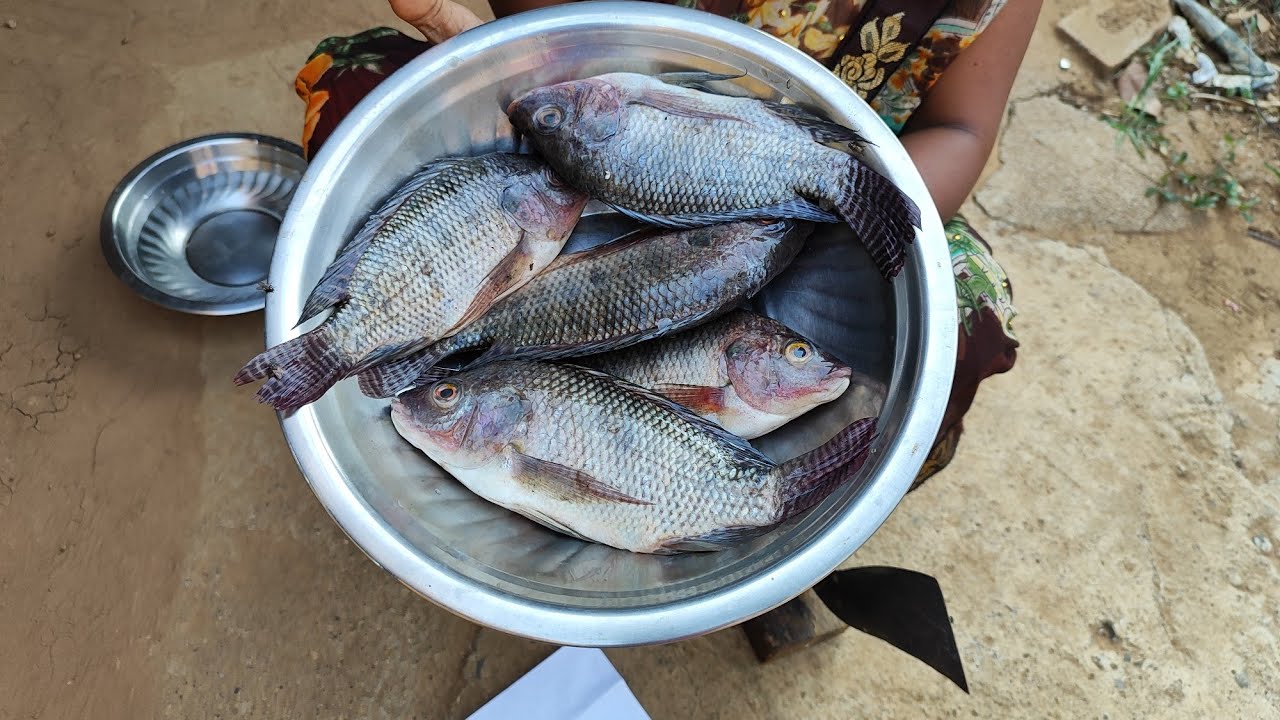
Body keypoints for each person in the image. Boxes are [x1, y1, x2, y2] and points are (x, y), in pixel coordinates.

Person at [294, 0, 1035, 489]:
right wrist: (523, 60)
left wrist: (824, 202)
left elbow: (961, 129)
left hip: (832, 178)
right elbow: (551, 40)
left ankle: (792, 522)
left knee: (961, 327)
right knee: (362, 88)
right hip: (593, 141)